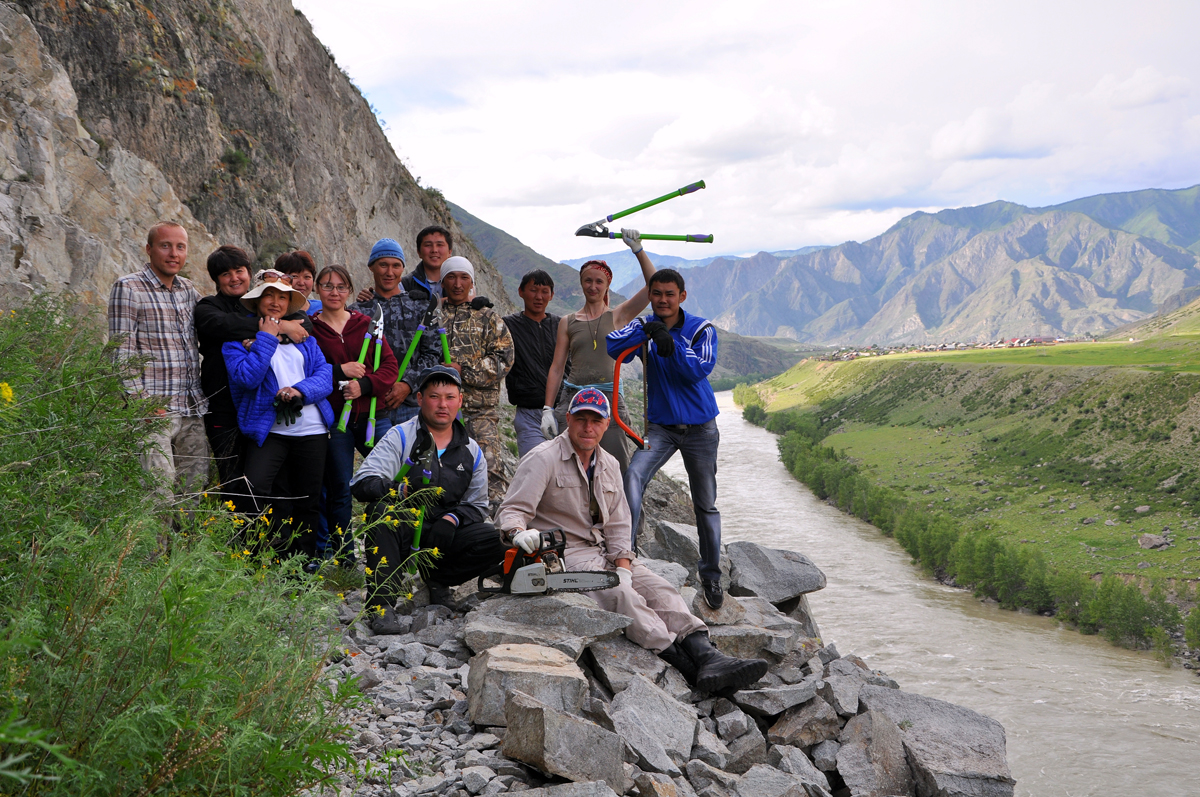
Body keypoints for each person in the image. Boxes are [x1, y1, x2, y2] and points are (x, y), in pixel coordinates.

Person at [498, 388, 767, 694]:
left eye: (596, 420)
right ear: (568, 419)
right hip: (564, 554)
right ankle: (687, 666)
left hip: (604, 551)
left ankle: (709, 654)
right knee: (621, 595)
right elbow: (511, 511)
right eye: (581, 419)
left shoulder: (610, 464)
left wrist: (624, 564)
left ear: (606, 423)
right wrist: (519, 533)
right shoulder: (542, 459)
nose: (588, 427)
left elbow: (620, 523)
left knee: (661, 589)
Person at [350, 365, 506, 630]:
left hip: (443, 535)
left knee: (492, 538)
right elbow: (361, 483)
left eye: (449, 397)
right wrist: (399, 490)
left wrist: (453, 518)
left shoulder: (472, 449)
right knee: (380, 513)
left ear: (460, 401)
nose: (442, 404)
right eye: (434, 396)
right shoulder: (400, 436)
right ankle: (381, 605)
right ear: (420, 399)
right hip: (405, 528)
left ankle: (437, 580)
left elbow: (478, 506)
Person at [607, 268, 725, 609]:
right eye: (656, 293)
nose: (662, 300)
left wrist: (669, 343)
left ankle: (712, 576)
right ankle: (624, 559)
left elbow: (698, 370)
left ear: (682, 297)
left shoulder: (702, 329)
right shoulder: (646, 323)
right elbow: (616, 348)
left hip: (701, 429)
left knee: (705, 504)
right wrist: (644, 333)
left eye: (669, 294)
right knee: (632, 476)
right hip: (661, 428)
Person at [223, 273, 333, 563]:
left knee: (307, 498)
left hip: (311, 429)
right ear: (258, 302)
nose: (275, 302)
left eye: (282, 297)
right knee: (255, 488)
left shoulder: (305, 339)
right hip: (269, 430)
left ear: (288, 303)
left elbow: (325, 376)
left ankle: (302, 563)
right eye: (269, 296)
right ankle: (255, 555)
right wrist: (266, 339)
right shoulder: (236, 344)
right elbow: (248, 378)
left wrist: (298, 390)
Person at [194, 246, 314, 498]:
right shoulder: (208, 306)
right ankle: (237, 534)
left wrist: (280, 326)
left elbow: (305, 323)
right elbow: (222, 325)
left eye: (239, 271)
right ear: (216, 279)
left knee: (271, 479)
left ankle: (270, 535)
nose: (235, 278)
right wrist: (281, 326)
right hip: (224, 405)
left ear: (249, 273)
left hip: (264, 408)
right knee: (233, 477)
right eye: (226, 274)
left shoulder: (262, 301)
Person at [108, 221, 209, 501]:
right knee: (157, 496)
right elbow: (121, 350)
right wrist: (143, 404)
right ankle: (152, 548)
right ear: (149, 249)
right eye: (165, 246)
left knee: (193, 496)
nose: (173, 253)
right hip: (154, 413)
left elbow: (217, 323)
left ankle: (183, 547)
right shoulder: (128, 288)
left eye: (180, 247)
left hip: (191, 410)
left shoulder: (188, 290)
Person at [542, 229, 656, 472]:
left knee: (616, 467)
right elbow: (557, 367)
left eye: (599, 282)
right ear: (581, 283)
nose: (593, 286)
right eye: (588, 280)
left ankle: (623, 511)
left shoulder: (618, 316)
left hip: (611, 400)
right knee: (567, 466)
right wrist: (548, 409)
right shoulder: (568, 321)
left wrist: (638, 250)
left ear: (607, 286)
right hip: (573, 399)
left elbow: (653, 286)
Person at [312, 265, 399, 561]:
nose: (334, 292)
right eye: (327, 286)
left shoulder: (365, 324)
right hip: (336, 421)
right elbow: (308, 371)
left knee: (394, 478)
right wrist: (339, 377)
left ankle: (395, 549)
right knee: (339, 490)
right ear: (316, 289)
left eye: (340, 286)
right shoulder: (312, 330)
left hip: (375, 415)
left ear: (349, 290)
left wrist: (364, 385)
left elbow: (389, 367)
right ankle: (345, 559)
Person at [440, 256, 515, 504]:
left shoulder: (487, 317)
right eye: (451, 277)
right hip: (439, 411)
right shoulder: (433, 316)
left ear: (472, 281)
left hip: (479, 412)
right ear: (443, 281)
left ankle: (497, 532)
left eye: (464, 277)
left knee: (490, 473)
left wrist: (463, 370)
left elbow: (504, 359)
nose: (458, 283)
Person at [351, 238, 443, 425]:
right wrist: (375, 384)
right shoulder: (357, 311)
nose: (389, 272)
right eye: (383, 265)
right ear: (371, 267)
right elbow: (352, 355)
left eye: (396, 265)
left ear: (403, 269)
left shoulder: (420, 307)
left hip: (412, 406)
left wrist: (408, 385)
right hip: (371, 405)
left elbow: (433, 353)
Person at [503, 270, 569, 457]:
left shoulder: (561, 325)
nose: (539, 297)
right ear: (521, 291)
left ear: (552, 295)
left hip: (563, 411)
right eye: (533, 290)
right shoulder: (507, 326)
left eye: (544, 291)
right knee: (533, 468)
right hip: (528, 412)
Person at [402, 225, 453, 298]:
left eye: (439, 245)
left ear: (449, 252)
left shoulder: (460, 284)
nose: (434, 250)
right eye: (428, 245)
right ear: (419, 252)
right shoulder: (405, 284)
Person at [276, 250, 322, 315]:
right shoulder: (273, 311)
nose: (301, 283)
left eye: (307, 277)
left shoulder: (323, 308)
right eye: (294, 276)